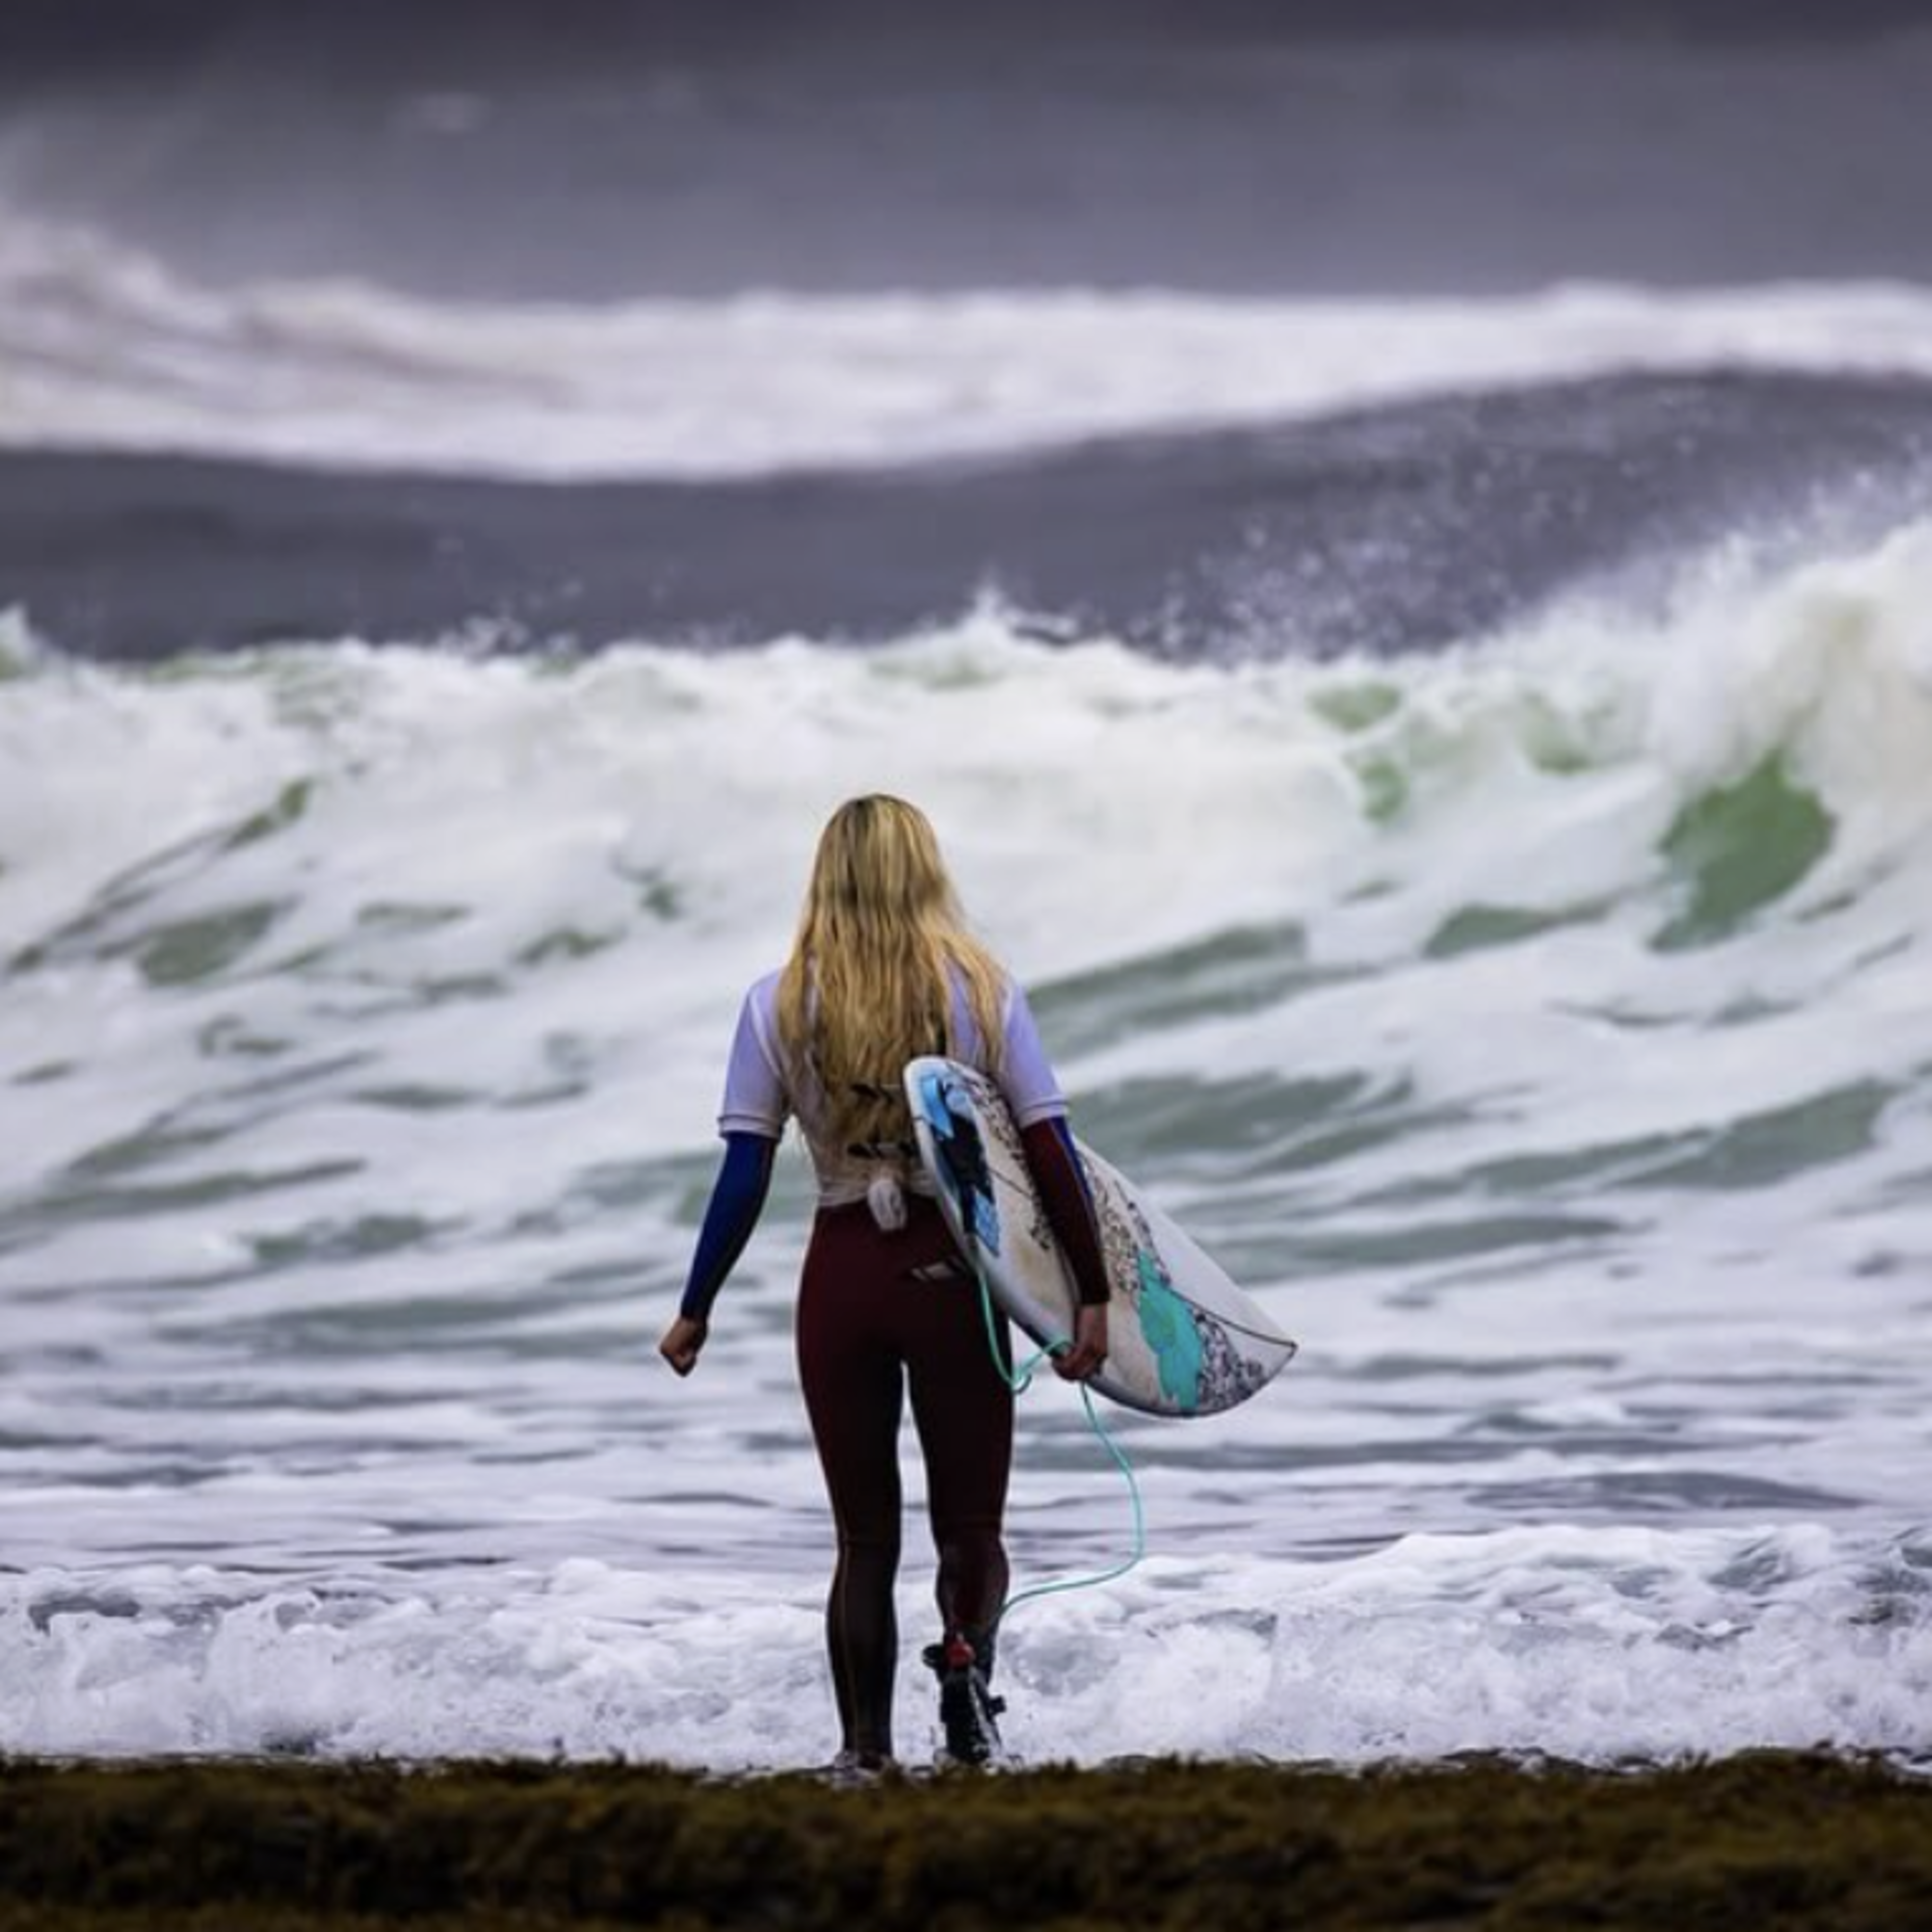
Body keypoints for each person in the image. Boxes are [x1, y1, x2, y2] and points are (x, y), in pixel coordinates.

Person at [657, 794, 1112, 1775]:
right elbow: (1049, 1149)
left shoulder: (776, 1005)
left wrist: (696, 1308)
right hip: (953, 1282)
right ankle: (962, 1677)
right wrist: (1094, 1295)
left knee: (865, 1541)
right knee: (972, 1528)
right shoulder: (984, 993)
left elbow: (745, 1171)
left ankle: (864, 1755)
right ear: (925, 872)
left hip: (842, 1283)